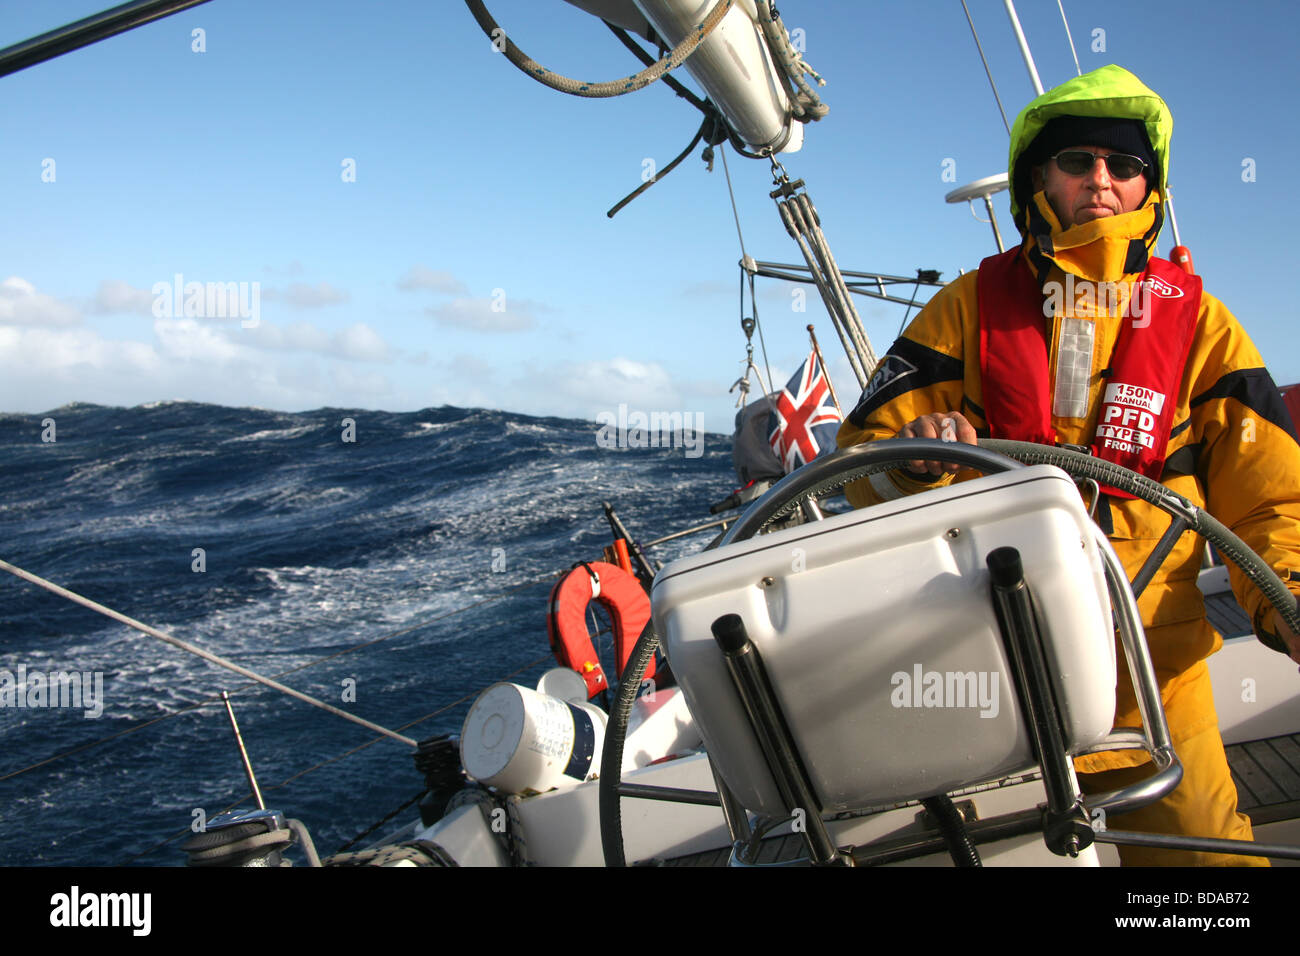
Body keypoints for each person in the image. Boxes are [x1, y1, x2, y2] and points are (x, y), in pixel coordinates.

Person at [836, 64, 1300, 865]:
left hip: (1156, 673)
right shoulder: (966, 309)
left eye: (1124, 166)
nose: (1102, 182)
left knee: (1203, 872)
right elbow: (858, 473)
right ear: (1038, 177)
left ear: (1146, 186)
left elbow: (1272, 502)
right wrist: (917, 468)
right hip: (992, 666)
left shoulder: (1204, 326)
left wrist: (1286, 601)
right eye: (1077, 161)